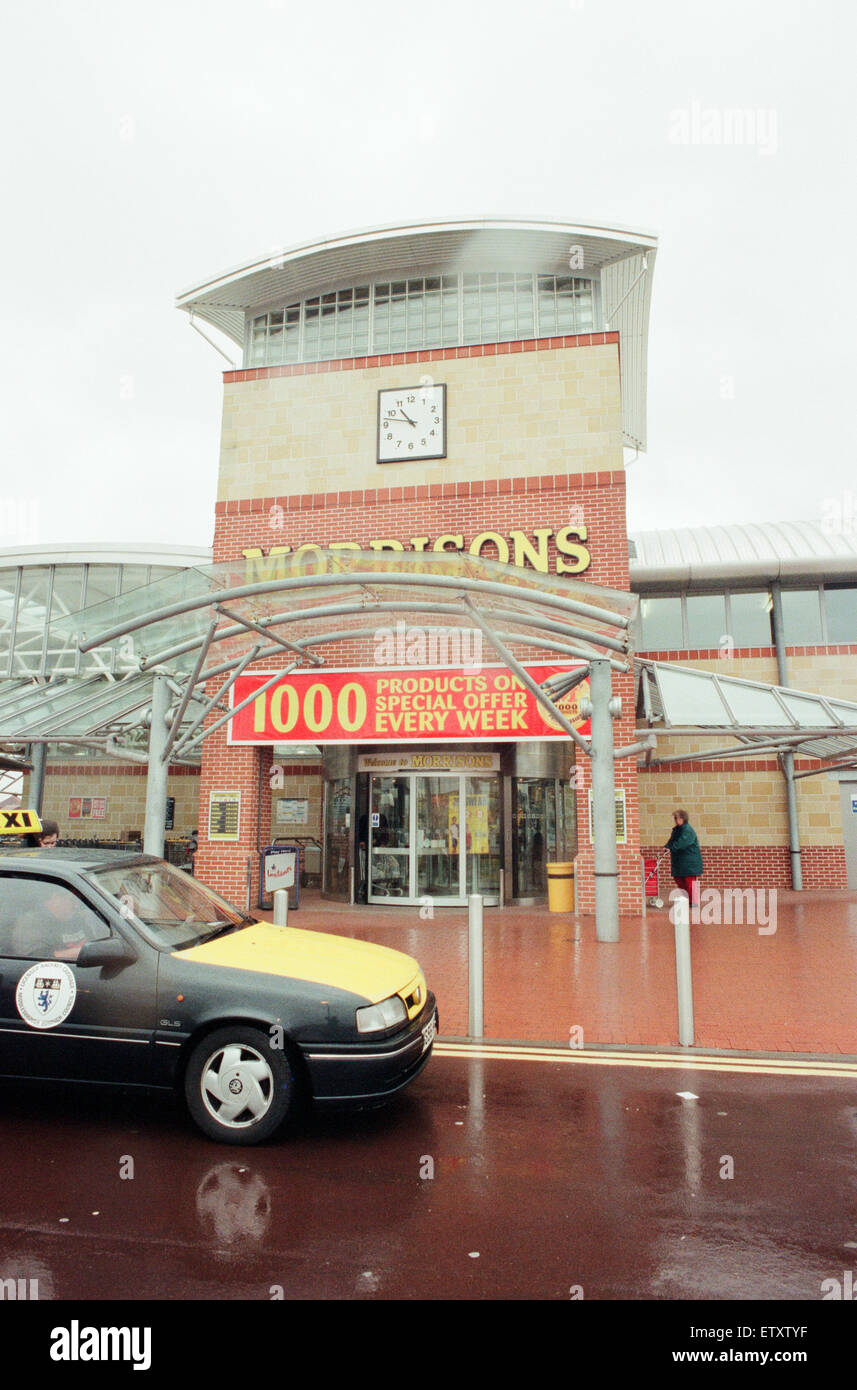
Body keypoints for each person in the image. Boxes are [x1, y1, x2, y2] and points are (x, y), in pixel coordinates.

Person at [665, 809, 703, 908]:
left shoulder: (688, 830)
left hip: (690, 861)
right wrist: (667, 847)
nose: (676, 821)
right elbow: (672, 840)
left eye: (678, 819)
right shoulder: (677, 830)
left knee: (690, 881)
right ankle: (686, 898)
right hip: (680, 861)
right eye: (675, 819)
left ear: (683, 819)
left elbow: (682, 842)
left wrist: (672, 848)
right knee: (678, 879)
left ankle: (693, 901)